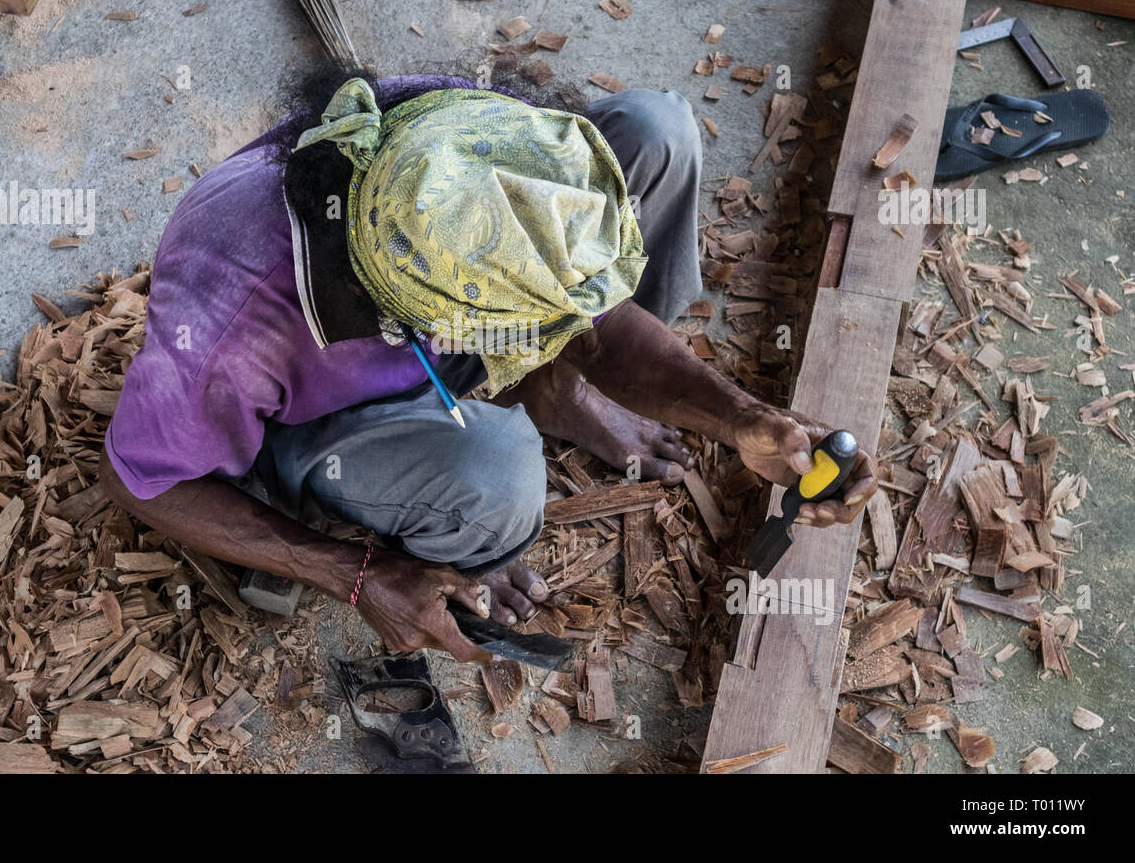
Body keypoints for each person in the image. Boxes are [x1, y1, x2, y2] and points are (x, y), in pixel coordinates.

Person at [99, 73, 877, 666]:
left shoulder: (445, 130)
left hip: (445, 316)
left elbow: (590, 322)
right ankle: (453, 466)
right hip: (324, 412)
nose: (575, 331)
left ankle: (554, 387)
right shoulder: (231, 328)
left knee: (656, 131)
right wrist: (354, 571)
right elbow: (143, 479)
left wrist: (744, 420)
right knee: (498, 483)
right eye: (536, 331)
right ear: (407, 309)